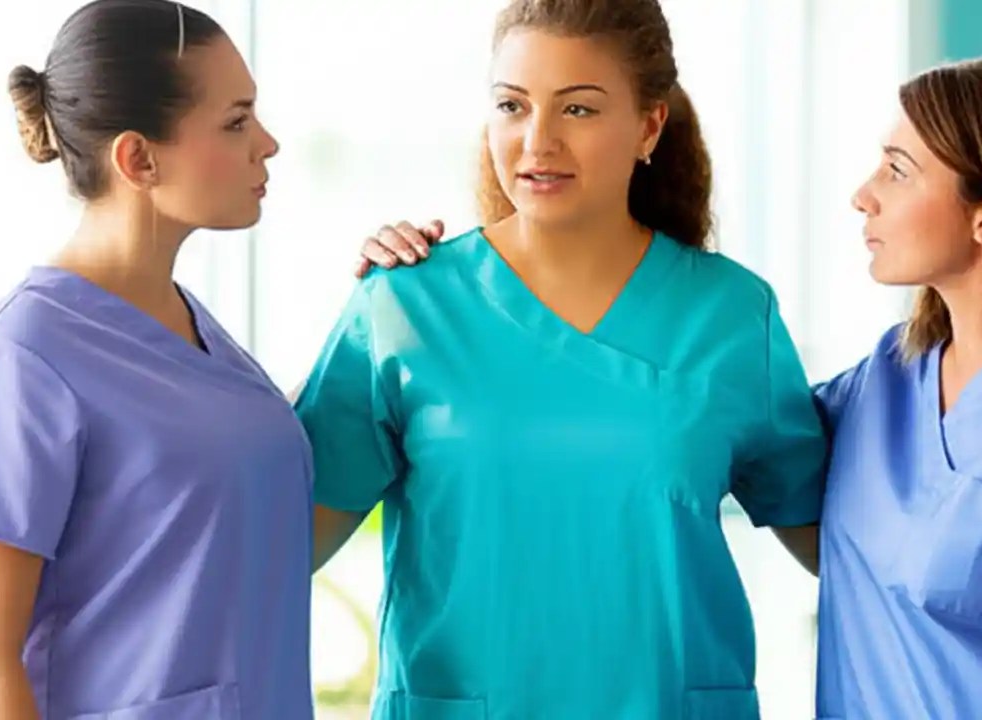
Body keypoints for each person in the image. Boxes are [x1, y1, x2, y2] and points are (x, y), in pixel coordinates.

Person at [356, 56, 982, 718]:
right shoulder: (885, 386)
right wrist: (435, 278)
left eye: (899, 170)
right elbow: (675, 417)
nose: (862, 196)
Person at [294, 0, 826, 717]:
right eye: (512, 106)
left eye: (577, 110)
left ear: (649, 125)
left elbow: (847, 550)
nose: (536, 141)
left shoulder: (733, 316)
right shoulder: (403, 305)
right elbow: (278, 545)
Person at [0, 2, 310, 718]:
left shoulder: (197, 330)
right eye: (235, 123)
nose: (267, 144)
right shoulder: (26, 353)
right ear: (139, 158)